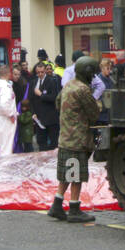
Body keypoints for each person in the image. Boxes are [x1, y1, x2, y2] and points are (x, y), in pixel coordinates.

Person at [48, 57, 102, 222]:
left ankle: (57, 204)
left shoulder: (68, 85)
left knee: (66, 173)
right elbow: (94, 113)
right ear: (88, 73)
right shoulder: (83, 90)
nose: (93, 77)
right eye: (92, 74)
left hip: (64, 136)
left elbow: (57, 104)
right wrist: (99, 105)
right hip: (78, 138)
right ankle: (74, 209)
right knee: (76, 175)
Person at [30, 61, 62, 151]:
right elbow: (31, 99)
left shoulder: (52, 81)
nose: (40, 74)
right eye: (38, 72)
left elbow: (54, 97)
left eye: (42, 72)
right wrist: (33, 113)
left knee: (53, 143)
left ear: (45, 71)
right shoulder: (34, 82)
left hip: (51, 118)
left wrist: (41, 95)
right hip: (39, 119)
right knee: (41, 143)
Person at [96, 58, 116, 125]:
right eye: (108, 68)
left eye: (111, 68)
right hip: (101, 115)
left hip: (109, 114)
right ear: (102, 68)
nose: (110, 71)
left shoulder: (111, 80)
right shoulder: (98, 81)